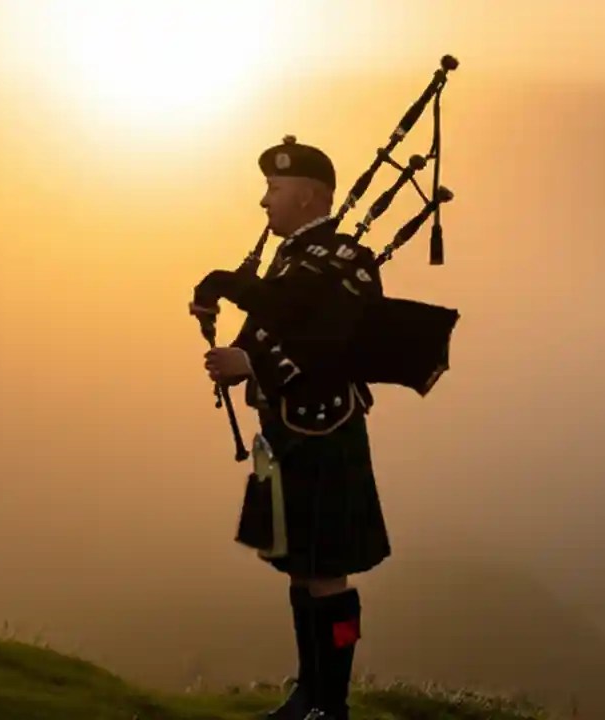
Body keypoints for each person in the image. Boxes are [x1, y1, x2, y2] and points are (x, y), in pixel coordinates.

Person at [190, 136, 391, 720]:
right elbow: (278, 315)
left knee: (330, 576)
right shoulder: (296, 260)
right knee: (303, 569)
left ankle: (334, 703)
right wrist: (239, 359)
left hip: (328, 436)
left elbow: (327, 345)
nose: (264, 202)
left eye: (274, 191)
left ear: (308, 197)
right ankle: (309, 693)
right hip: (290, 436)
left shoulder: (345, 261)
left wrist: (250, 359)